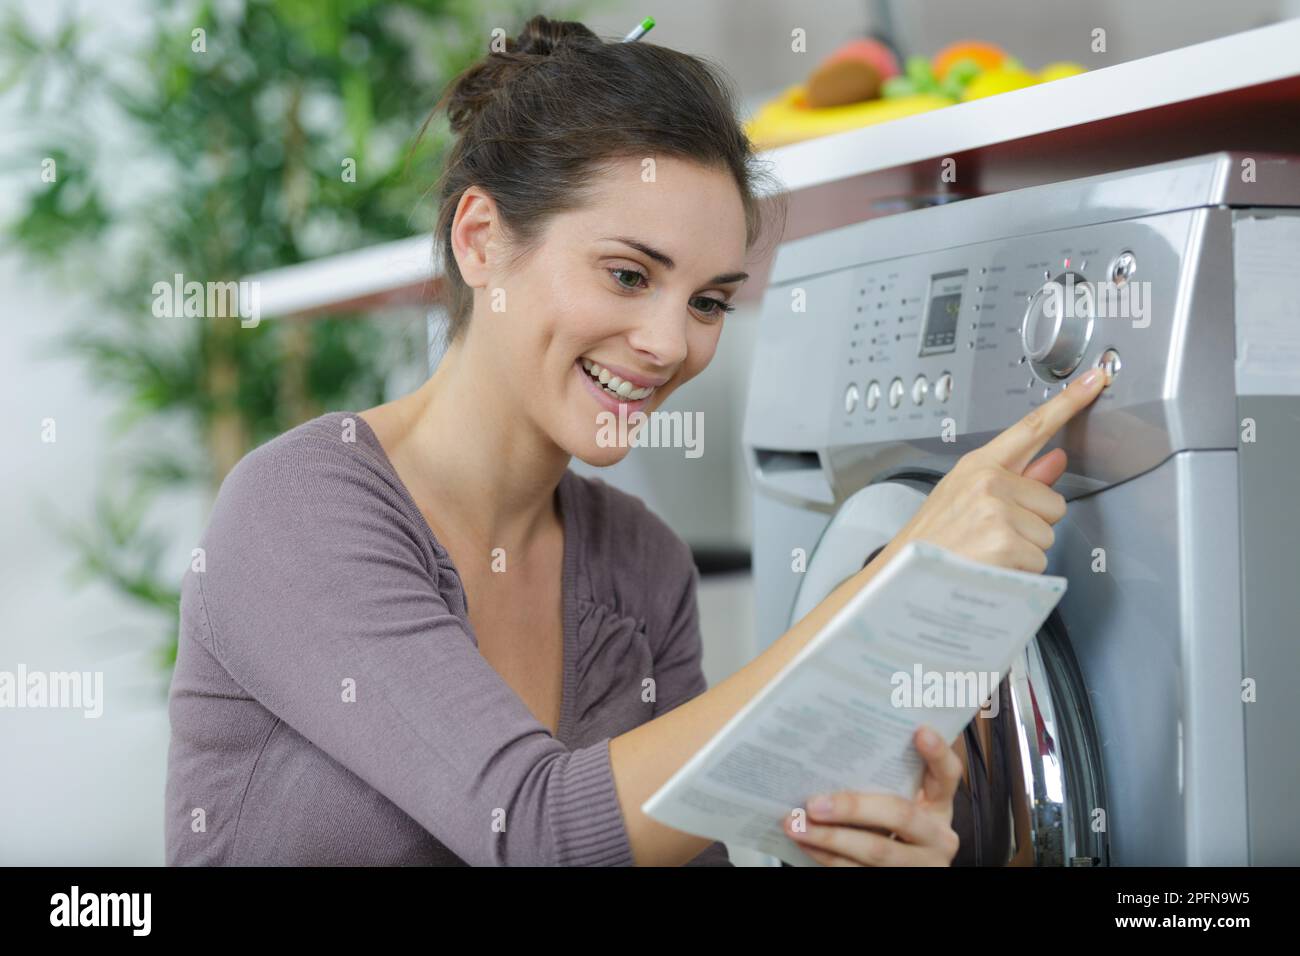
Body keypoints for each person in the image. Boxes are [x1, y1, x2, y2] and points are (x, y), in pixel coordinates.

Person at [164, 14, 1109, 866]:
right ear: (481, 240)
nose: (668, 343)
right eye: (627, 275)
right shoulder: (298, 508)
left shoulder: (640, 565)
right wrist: (898, 577)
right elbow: (531, 827)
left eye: (708, 302)